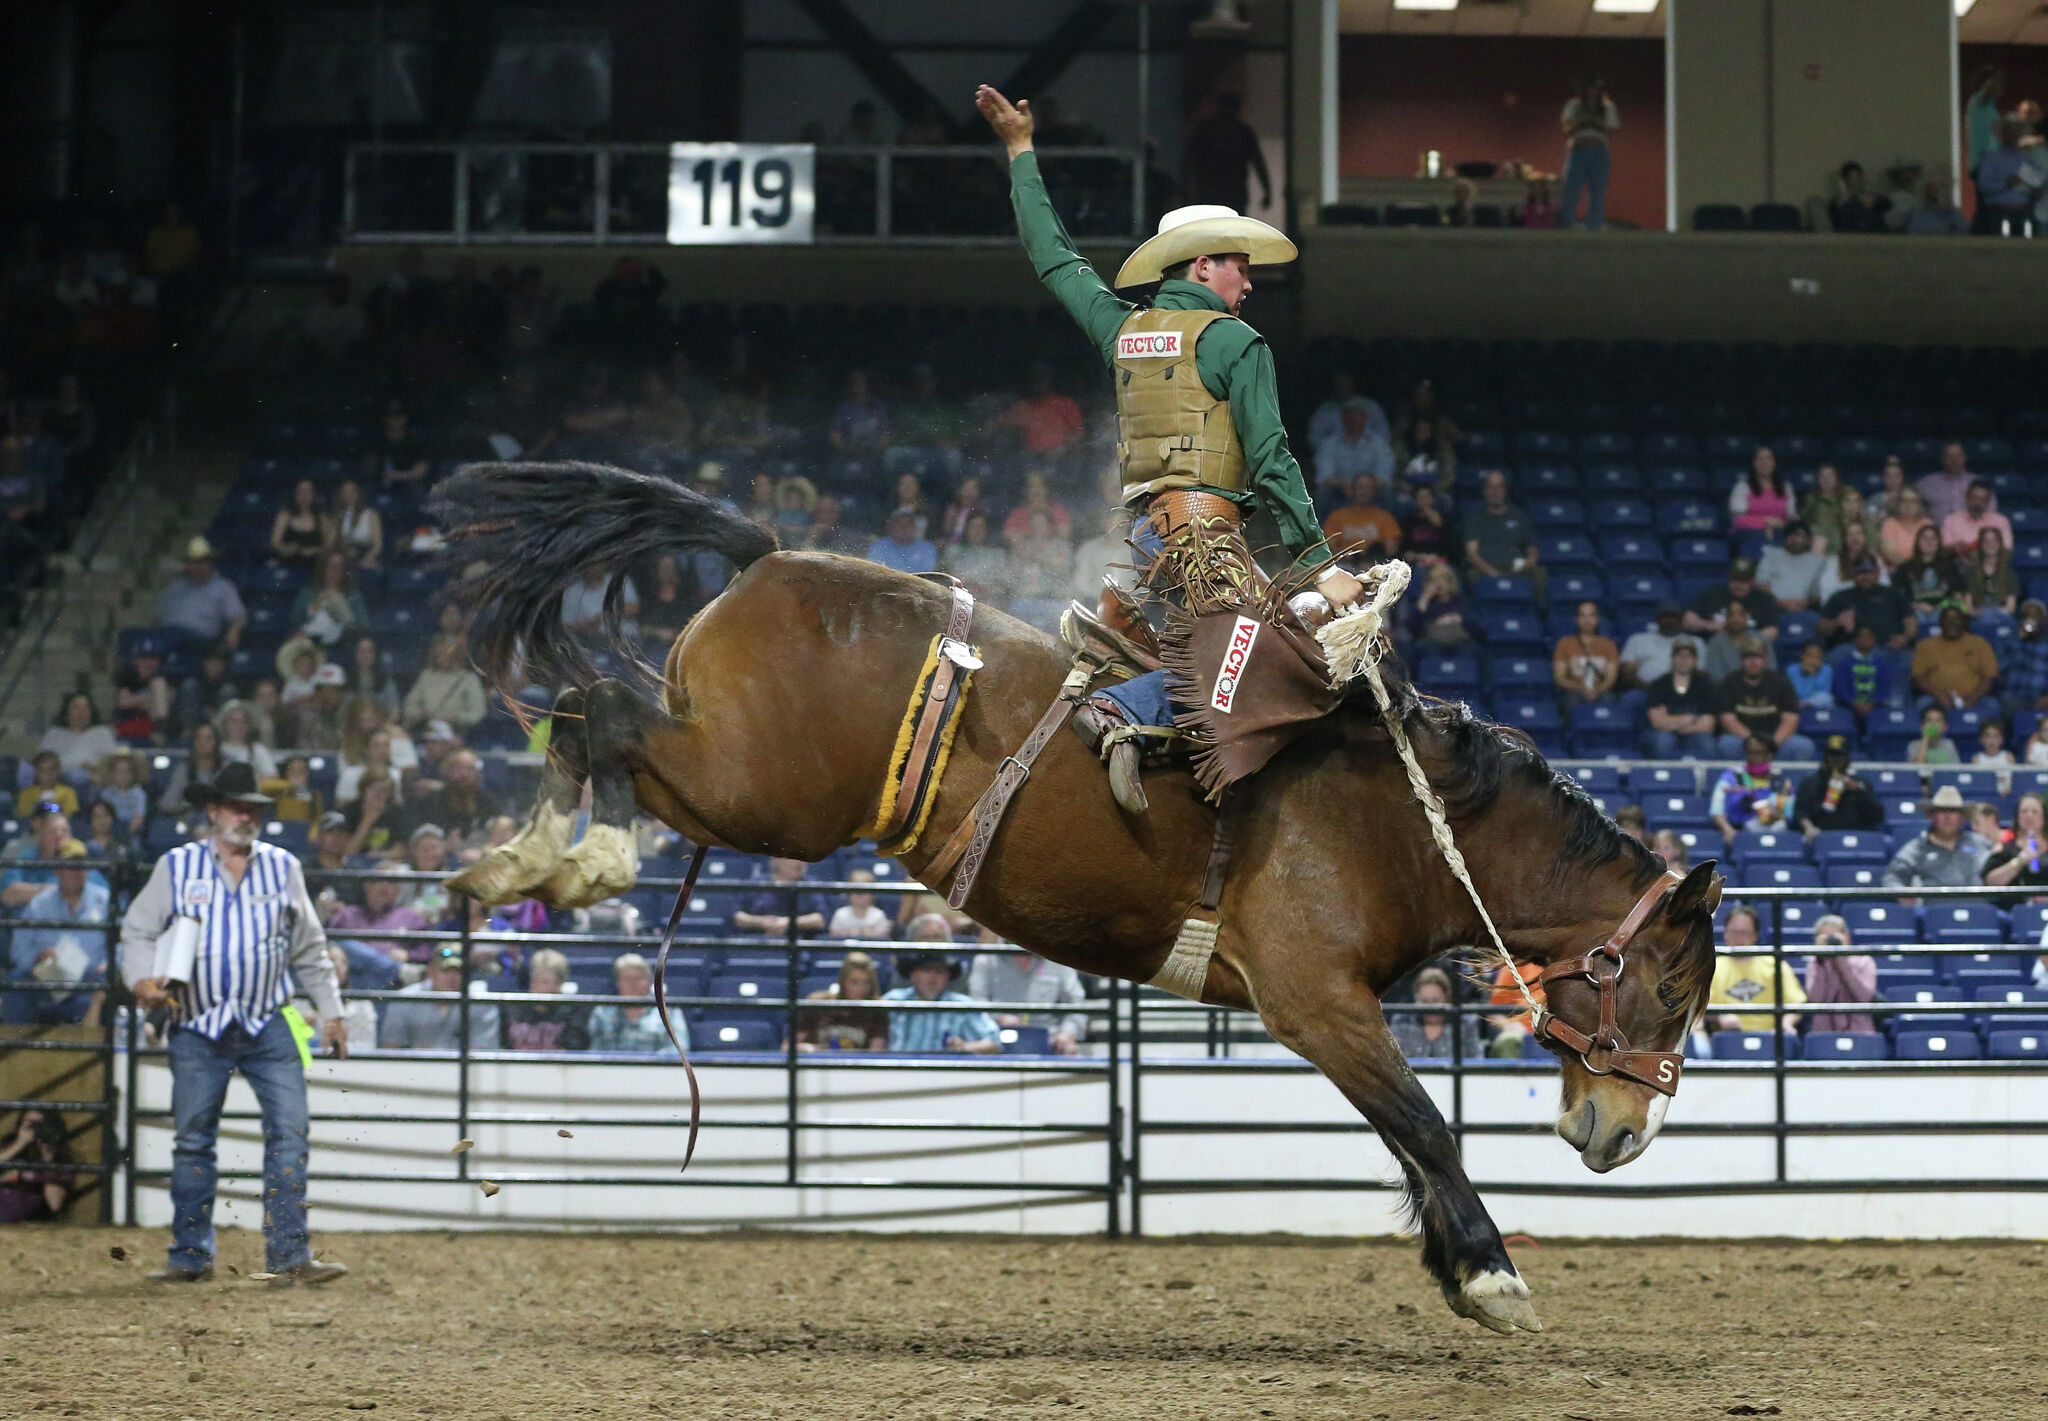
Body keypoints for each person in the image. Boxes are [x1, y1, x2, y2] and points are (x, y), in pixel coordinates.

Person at [978, 82, 1359, 815]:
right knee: (1279, 658)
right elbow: (1273, 459)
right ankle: (1126, 711)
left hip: (1149, 540)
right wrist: (1321, 565)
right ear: (1200, 267)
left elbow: (1054, 259)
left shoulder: (1125, 329)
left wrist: (1022, 153)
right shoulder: (1234, 342)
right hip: (1204, 539)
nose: (1248, 282)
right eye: (1238, 266)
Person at [118, 763, 347, 1284]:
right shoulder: (176, 867)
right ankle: (190, 1254)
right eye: (238, 807)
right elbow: (137, 931)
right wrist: (141, 981)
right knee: (194, 1139)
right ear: (214, 811)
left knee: (289, 1132)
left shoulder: (282, 867)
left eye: (254, 809)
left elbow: (310, 947)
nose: (247, 816)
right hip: (198, 1019)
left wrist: (332, 1012)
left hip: (269, 1017)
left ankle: (288, 1254)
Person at [7, 839, 112, 1025]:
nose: (77, 872)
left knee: (100, 990)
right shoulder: (39, 904)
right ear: (57, 870)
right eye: (70, 867)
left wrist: (107, 964)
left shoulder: (104, 901)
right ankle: (14, 1051)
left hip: (89, 980)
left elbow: (121, 943)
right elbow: (18, 950)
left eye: (81, 866)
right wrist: (38, 956)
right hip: (47, 978)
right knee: (16, 984)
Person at [966, 938, 1090, 1055]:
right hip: (996, 1042)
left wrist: (1067, 1033)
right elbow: (976, 1001)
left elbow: (1077, 1002)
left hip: (1050, 1042)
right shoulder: (985, 960)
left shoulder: (1058, 960)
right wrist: (998, 1017)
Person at [378, 943, 502, 1051]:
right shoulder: (405, 999)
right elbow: (390, 1048)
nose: (452, 977)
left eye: (459, 971)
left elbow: (482, 1054)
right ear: (431, 971)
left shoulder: (481, 1001)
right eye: (446, 970)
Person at [883, 945, 1001, 1054]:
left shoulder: (962, 1005)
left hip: (946, 1073)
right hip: (897, 1070)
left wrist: (964, 1046)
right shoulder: (893, 1000)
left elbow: (993, 1043)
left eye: (939, 972)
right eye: (926, 971)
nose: (932, 977)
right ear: (913, 975)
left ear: (947, 977)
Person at [1708, 906, 1805, 1034]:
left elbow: (1796, 1003)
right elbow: (1700, 1008)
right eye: (1733, 932)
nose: (1738, 938)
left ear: (1755, 936)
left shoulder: (1775, 965)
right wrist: (1720, 1018)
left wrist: (1785, 1023)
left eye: (1744, 932)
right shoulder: (1712, 967)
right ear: (1725, 934)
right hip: (1728, 1037)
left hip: (1771, 1035)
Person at [1714, 636, 1811, 761]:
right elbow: (1728, 720)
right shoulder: (1729, 682)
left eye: (1758, 657)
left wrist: (1772, 744)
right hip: (1742, 739)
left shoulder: (1781, 682)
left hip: (1775, 739)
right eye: (1749, 657)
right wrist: (1754, 744)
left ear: (1765, 660)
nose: (1753, 662)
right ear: (1741, 660)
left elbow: (1791, 719)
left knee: (1803, 746)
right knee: (1726, 744)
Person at [1882, 785, 1992, 891]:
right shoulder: (1917, 847)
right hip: (1934, 906)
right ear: (1932, 816)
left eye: (1953, 811)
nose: (1947, 816)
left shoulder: (1980, 843)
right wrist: (1903, 894)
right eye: (1942, 811)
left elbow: (1996, 869)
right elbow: (1891, 877)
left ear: (1962, 818)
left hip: (1976, 905)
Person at [1185, 91, 1272, 214]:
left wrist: (1185, 189)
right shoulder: (1240, 132)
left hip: (1220, 192)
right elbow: (1258, 163)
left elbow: (1258, 163)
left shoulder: (1239, 132)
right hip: (1218, 192)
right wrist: (1267, 191)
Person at [155, 537, 245, 651]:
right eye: (194, 562)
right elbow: (157, 618)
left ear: (211, 563)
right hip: (167, 636)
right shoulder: (176, 584)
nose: (198, 566)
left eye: (203, 562)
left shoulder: (223, 586)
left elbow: (238, 616)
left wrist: (234, 631)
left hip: (199, 641)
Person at [587, 953, 688, 1054]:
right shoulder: (602, 1013)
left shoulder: (669, 1011)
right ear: (618, 983)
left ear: (649, 982)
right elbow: (596, 1051)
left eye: (638, 978)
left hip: (655, 1068)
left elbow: (678, 1050)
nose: (632, 984)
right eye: (626, 979)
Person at [1463, 469, 1542, 595]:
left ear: (1505, 490)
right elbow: (1472, 554)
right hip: (1487, 567)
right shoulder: (1475, 518)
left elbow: (1532, 549)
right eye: (1491, 487)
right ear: (1485, 490)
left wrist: (1530, 560)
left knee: (1539, 574)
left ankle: (1537, 612)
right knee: (1472, 575)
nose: (1495, 492)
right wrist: (1493, 573)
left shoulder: (1519, 516)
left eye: (1499, 487)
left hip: (1515, 567)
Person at [328, 865, 428, 962]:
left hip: (391, 973)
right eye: (379, 880)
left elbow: (429, 952)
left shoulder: (410, 917)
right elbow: (326, 943)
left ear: (398, 890)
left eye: (391, 881)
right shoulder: (347, 914)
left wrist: (408, 955)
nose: (384, 885)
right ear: (367, 886)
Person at [1791, 735, 1885, 837]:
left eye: (1840, 757)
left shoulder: (1861, 783)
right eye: (1831, 756)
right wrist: (1808, 827)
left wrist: (1859, 791)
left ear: (1848, 759)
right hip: (1822, 835)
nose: (1835, 761)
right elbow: (1800, 813)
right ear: (1824, 759)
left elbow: (1878, 817)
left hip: (1857, 835)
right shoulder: (1810, 783)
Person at [797, 950, 890, 1052]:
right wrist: (811, 1049)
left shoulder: (876, 1011)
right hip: (816, 1064)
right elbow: (788, 1046)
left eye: (866, 982)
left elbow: (875, 1052)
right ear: (843, 982)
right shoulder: (817, 1003)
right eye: (854, 982)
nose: (861, 988)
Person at [1819, 554, 1915, 652]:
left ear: (1878, 572)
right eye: (1861, 572)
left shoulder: (1893, 594)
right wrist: (1837, 622)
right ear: (1854, 573)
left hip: (1888, 647)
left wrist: (1905, 637)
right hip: (1851, 649)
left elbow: (1911, 620)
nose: (1866, 576)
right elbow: (1821, 629)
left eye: (1870, 572)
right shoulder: (1840, 596)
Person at [1558, 74, 1618, 230]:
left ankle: (1594, 225)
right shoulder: (1573, 105)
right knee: (1571, 189)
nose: (1592, 91)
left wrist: (1597, 123)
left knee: (1597, 190)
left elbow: (1612, 132)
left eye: (1595, 88)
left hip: (1599, 150)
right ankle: (1566, 224)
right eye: (1589, 87)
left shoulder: (1607, 106)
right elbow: (1566, 130)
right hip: (1578, 149)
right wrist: (1582, 121)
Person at [1911, 603, 1998, 709]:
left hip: (1974, 697)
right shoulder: (1926, 645)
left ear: (1964, 622)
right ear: (1940, 622)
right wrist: (1939, 695)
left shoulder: (1979, 643)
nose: (1951, 623)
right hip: (1936, 698)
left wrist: (1974, 698)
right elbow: (1918, 676)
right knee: (1922, 703)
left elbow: (1989, 676)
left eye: (1956, 618)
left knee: (1992, 705)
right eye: (1947, 619)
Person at [1801, 917, 1878, 1035]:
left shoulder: (1864, 961)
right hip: (1823, 1032)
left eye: (1834, 936)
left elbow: (1864, 997)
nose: (1831, 942)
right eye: (1827, 938)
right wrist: (1821, 961)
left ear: (1846, 937)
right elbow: (1815, 1000)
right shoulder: (1815, 963)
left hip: (1859, 1030)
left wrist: (1842, 961)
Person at [1388, 965, 1483, 1061]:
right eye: (1424, 1001)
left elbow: (1476, 1063)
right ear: (1417, 1000)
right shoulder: (1402, 1022)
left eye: (1435, 1000)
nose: (1430, 1007)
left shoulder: (1465, 1024)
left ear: (1446, 998)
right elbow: (1391, 1062)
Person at [502, 947, 589, 1051]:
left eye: (557, 983)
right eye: (545, 982)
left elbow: (574, 1050)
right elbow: (502, 1047)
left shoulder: (573, 1011)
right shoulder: (511, 1008)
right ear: (532, 982)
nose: (551, 988)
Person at [1642, 639, 1716, 759]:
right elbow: (1657, 722)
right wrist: (1692, 718)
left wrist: (1672, 721)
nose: (1684, 660)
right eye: (1679, 655)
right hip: (1663, 734)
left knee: (1706, 742)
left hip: (1694, 734)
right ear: (1672, 658)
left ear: (1695, 660)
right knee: (1663, 740)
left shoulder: (1705, 685)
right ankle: (1663, 776)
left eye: (1688, 656)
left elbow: (1708, 724)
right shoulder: (1659, 684)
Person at [1710, 735, 1791, 842]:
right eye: (1749, 752)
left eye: (1759, 753)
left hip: (1774, 832)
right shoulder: (1733, 777)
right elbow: (1717, 810)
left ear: (1770, 755)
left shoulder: (1779, 781)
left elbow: (1788, 814)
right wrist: (1728, 830)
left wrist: (1777, 816)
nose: (1753, 758)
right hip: (1739, 832)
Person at [0, 1110, 74, 1222]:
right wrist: (19, 1143)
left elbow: (55, 1205)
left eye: (39, 1125)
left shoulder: (59, 1157)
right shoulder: (9, 1145)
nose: (34, 1130)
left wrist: (48, 1160)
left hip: (25, 1217)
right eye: (29, 1125)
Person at [1685, 558, 1779, 644]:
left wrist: (1747, 641)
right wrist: (1709, 625)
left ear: (1752, 581)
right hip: (1713, 646)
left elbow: (1772, 630)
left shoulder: (1764, 599)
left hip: (1749, 651)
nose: (1738, 585)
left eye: (1743, 581)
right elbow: (1688, 620)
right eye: (1735, 580)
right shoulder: (1712, 593)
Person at [1313, 398, 1394, 497]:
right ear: (1342, 418)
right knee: (1322, 493)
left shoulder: (1379, 445)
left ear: (1365, 417)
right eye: (1349, 415)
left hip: (1371, 492)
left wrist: (1362, 487)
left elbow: (1384, 477)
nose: (1354, 419)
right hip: (1339, 491)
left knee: (1387, 493)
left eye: (1358, 415)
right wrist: (1346, 485)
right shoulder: (1329, 445)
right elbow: (1324, 477)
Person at [733, 857, 829, 938]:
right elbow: (738, 917)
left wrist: (788, 923)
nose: (801, 862)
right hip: (760, 943)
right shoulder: (757, 883)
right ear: (776, 860)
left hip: (800, 944)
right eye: (794, 858)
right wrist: (763, 922)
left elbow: (820, 919)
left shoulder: (811, 884)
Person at [1552, 600, 1618, 706]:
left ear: (1597, 619)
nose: (1587, 620)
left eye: (1591, 616)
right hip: (1574, 690)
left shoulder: (1609, 645)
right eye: (1583, 616)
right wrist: (1578, 688)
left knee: (1609, 699)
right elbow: (1559, 676)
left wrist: (1597, 690)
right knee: (1571, 701)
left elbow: (1611, 677)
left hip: (1600, 691)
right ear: (1577, 619)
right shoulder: (1564, 643)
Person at [1321, 473, 1401, 558]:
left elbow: (1391, 549)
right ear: (1352, 490)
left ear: (1375, 491)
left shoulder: (1385, 517)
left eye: (1368, 487)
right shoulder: (1337, 516)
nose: (1364, 491)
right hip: (1343, 563)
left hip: (1376, 564)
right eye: (1360, 486)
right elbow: (1329, 546)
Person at [40, 691, 118, 776]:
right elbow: (42, 761)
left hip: (93, 778)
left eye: (86, 708)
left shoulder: (102, 732)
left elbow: (112, 763)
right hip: (59, 780)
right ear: (66, 712)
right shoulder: (54, 734)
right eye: (76, 708)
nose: (81, 712)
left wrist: (95, 768)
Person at [1754, 522, 1827, 611]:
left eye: (1801, 536)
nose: (1797, 540)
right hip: (1772, 608)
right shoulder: (1771, 555)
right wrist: (1780, 602)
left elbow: (1817, 594)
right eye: (1793, 536)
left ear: (1808, 539)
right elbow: (1760, 585)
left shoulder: (1817, 561)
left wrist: (1805, 603)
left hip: (1805, 610)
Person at [1984, 793, 2048, 891]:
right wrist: (2018, 862)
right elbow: (1990, 882)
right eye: (2024, 811)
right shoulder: (2005, 849)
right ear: (2017, 817)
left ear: (2044, 817)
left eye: (2035, 811)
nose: (2029, 815)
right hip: (2014, 904)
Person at [1728, 446, 1795, 539]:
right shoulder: (1742, 487)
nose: (1765, 463)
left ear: (1774, 462)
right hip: (1748, 534)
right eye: (1760, 459)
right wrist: (1766, 522)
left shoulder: (1786, 487)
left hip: (1779, 532)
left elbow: (1790, 517)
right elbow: (1738, 519)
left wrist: (1776, 526)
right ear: (1754, 463)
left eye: (1768, 458)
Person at [2002, 600, 2048, 717]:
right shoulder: (2010, 641)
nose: (2031, 620)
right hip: (2014, 699)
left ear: (2044, 620)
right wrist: (2019, 639)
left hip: (2043, 698)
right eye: (2027, 616)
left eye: (2035, 615)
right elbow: (2000, 668)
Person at [866, 506, 940, 576]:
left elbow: (927, 574)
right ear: (891, 526)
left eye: (909, 523)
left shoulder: (927, 548)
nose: (904, 527)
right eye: (899, 523)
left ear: (915, 527)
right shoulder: (879, 545)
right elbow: (876, 571)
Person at [1918, 443, 1977, 530]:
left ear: (1964, 457)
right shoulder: (1927, 483)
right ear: (1943, 459)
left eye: (1958, 455)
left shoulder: (1976, 482)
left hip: (1970, 535)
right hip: (1937, 536)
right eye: (1949, 456)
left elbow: (1990, 512)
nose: (1954, 460)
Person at [1963, 527, 2018, 615]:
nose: (1990, 544)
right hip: (1978, 616)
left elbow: (2011, 607)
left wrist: (1995, 614)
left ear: (2000, 544)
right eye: (1986, 541)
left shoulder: (2009, 572)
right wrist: (1978, 613)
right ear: (1980, 544)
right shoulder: (1971, 572)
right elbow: (1967, 606)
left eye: (1994, 540)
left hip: (2001, 615)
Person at [271, 479, 326, 566]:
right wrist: (287, 549)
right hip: (288, 560)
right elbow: (275, 542)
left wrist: (313, 551)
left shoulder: (322, 518)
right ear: (296, 494)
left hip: (315, 563)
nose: (304, 495)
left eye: (308, 491)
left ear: (313, 494)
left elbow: (329, 544)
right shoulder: (285, 515)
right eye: (301, 491)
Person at [1827, 162, 1890, 233]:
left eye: (1859, 177)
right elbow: (1833, 217)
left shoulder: (1872, 196)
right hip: (1852, 233)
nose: (1857, 181)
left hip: (1876, 232)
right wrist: (1841, 203)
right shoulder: (1838, 202)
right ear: (1845, 181)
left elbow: (1888, 205)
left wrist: (1874, 202)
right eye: (1853, 178)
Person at [828, 869, 892, 939]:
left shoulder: (878, 915)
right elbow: (834, 936)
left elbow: (883, 937)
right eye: (856, 891)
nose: (860, 894)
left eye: (864, 891)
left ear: (872, 894)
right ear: (848, 893)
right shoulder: (840, 914)